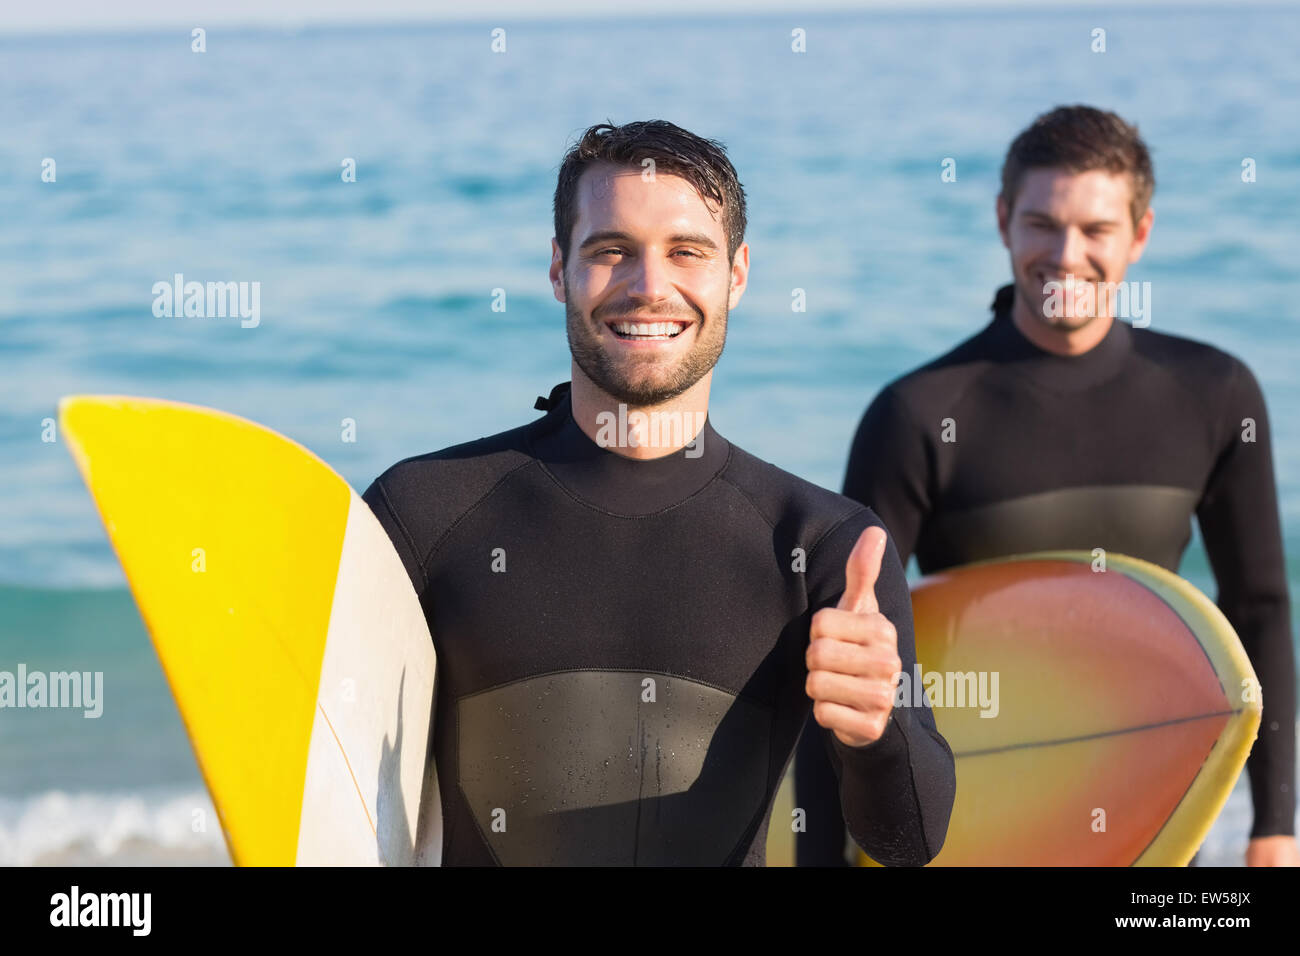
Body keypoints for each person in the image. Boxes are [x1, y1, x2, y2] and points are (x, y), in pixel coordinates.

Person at [361, 119, 955, 865]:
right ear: (558, 269)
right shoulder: (421, 515)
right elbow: (330, 790)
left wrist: (878, 726)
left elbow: (911, 840)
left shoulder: (821, 546)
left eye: (686, 252)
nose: (649, 286)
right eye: (611, 250)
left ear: (736, 273)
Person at [795, 104, 1299, 868]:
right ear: (1003, 220)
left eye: (1096, 229)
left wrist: (1275, 826)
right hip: (983, 811)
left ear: (1141, 234)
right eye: (1042, 224)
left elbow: (1258, 611)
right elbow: (857, 656)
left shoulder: (1214, 393)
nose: (1067, 255)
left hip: (1161, 814)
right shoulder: (921, 413)